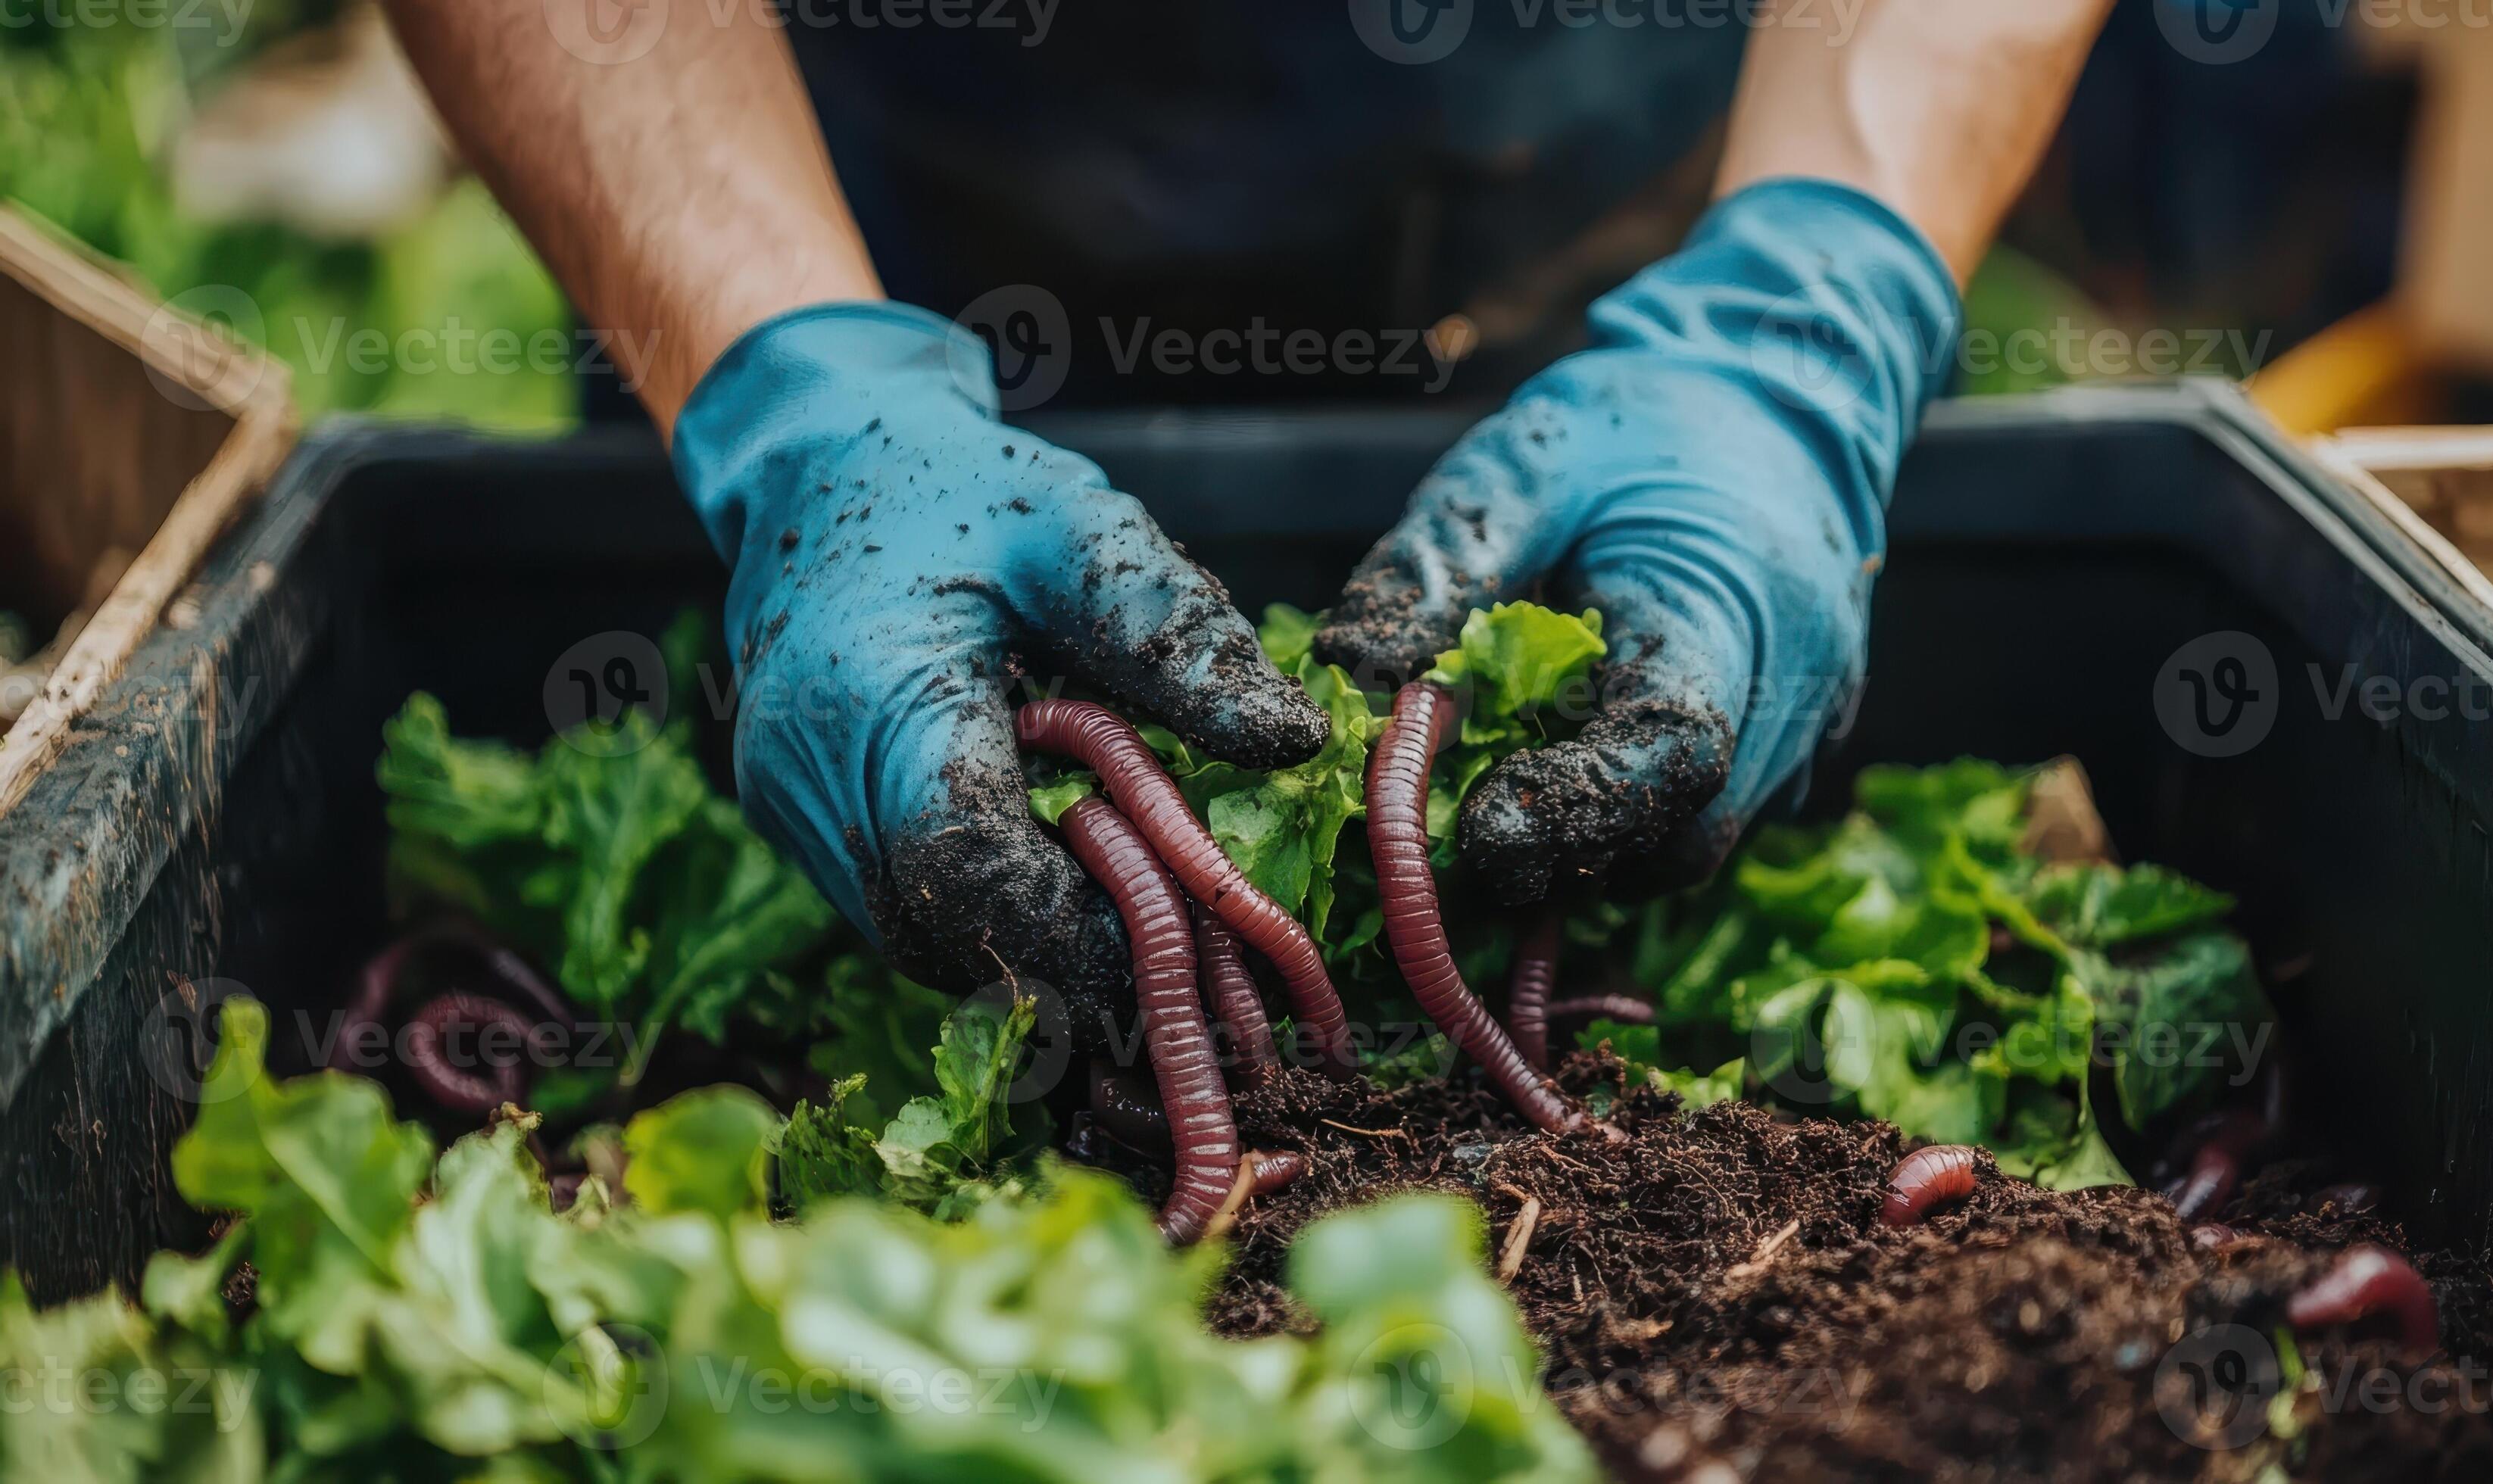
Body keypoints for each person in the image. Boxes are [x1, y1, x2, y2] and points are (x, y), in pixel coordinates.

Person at [380, 0, 2114, 1042]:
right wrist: (787, 381)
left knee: (1642, 776)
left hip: (1639, 210)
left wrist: (1804, 312)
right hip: (815, 194)